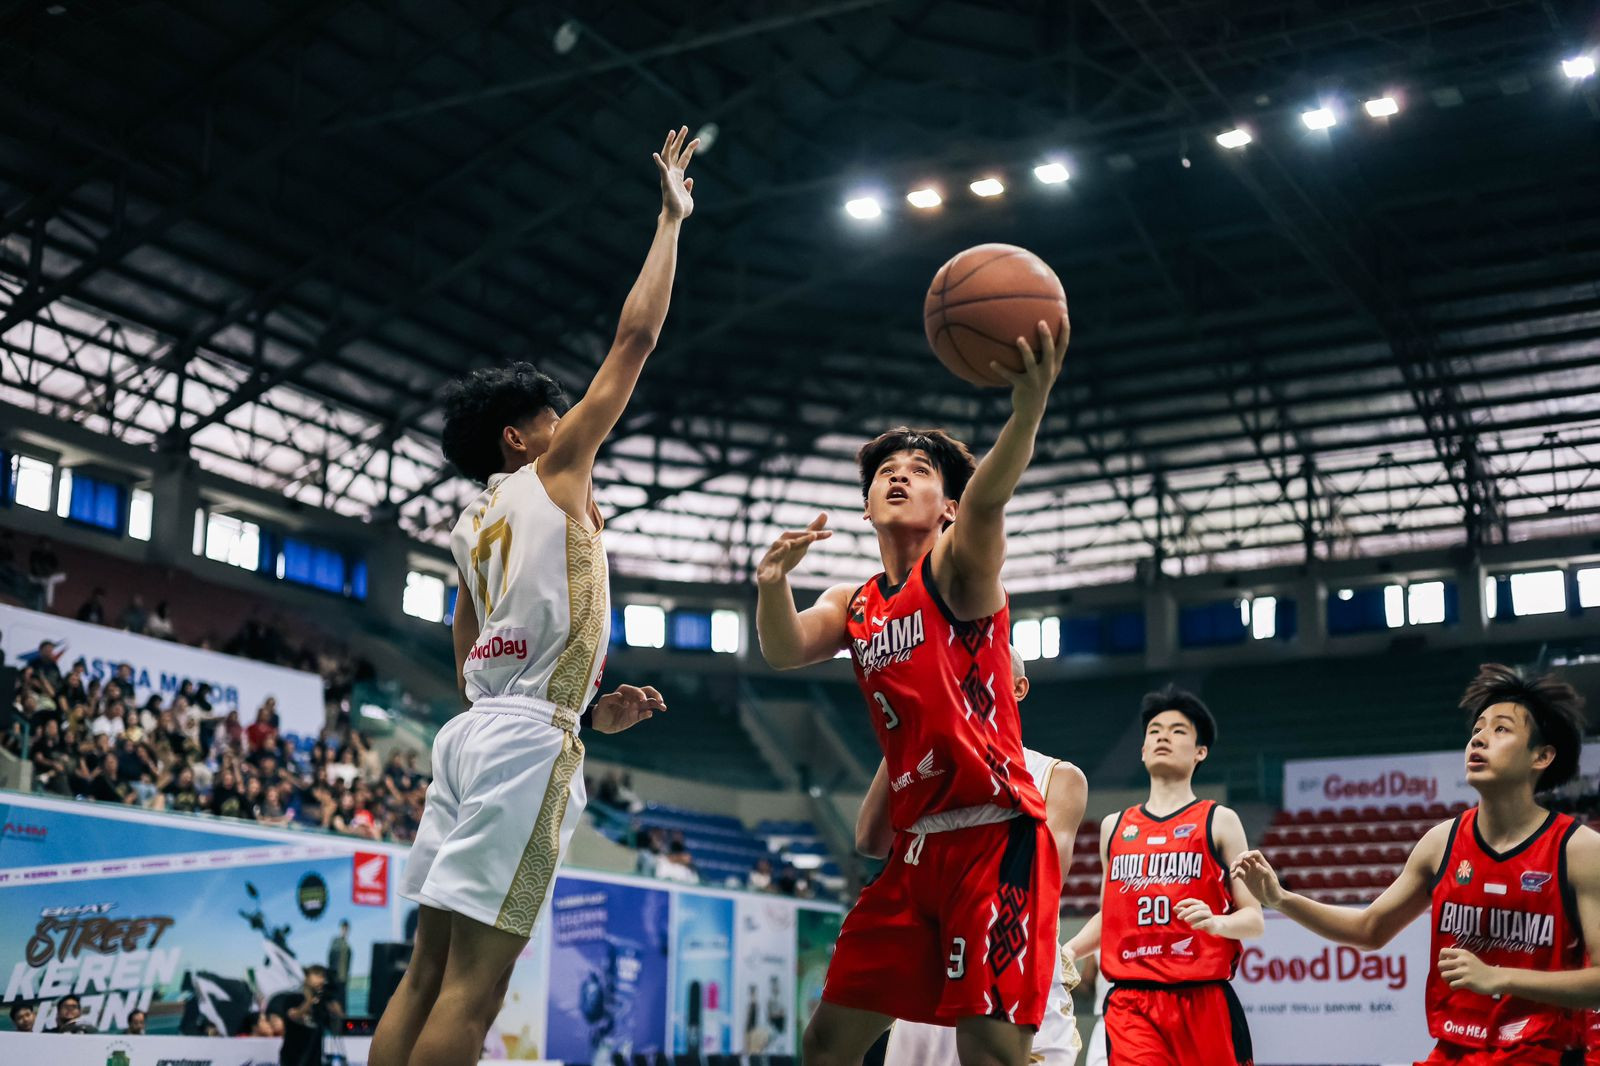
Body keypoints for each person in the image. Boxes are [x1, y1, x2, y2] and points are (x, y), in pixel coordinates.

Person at [372, 125, 697, 1066]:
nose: (572, 429)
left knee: (424, 975)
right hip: (523, 744)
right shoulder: (553, 474)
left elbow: (469, 648)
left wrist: (580, 702)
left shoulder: (470, 523)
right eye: (556, 419)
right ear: (520, 438)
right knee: (475, 989)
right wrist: (670, 222)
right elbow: (635, 339)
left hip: (469, 736)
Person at [754, 314, 1071, 1065]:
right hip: (916, 849)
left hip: (994, 835)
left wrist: (1027, 411)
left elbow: (989, 500)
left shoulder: (958, 570)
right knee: (826, 1044)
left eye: (921, 470)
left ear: (949, 507)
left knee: (989, 1053)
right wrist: (771, 584)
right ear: (866, 506)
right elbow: (783, 649)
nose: (899, 475)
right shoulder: (854, 601)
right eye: (886, 471)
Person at [1234, 664, 1600, 1065]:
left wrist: (1500, 978)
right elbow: (1369, 930)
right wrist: (1281, 899)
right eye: (1477, 729)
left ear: (1542, 756)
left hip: (1542, 1054)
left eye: (1501, 729)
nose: (1479, 739)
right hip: (1453, 1051)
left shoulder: (1578, 850)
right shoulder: (1441, 843)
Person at [855, 646, 1089, 1066]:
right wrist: (904, 740)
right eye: (959, 672)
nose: (969, 681)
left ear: (1018, 688)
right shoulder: (923, 765)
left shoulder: (1057, 776)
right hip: (931, 972)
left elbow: (1041, 877)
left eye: (987, 671)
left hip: (1010, 966)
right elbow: (870, 840)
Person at [1061, 686, 1263, 1066]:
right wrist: (1069, 950)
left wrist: (1217, 922)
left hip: (1204, 997)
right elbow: (1111, 917)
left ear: (1200, 751)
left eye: (1177, 730)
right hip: (1132, 1003)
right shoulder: (1113, 827)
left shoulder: (1219, 821)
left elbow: (1254, 918)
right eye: (1154, 731)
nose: (1163, 737)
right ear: (1142, 750)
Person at [267, 965, 340, 1066]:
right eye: (317, 975)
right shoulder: (293, 997)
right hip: (293, 1056)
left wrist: (331, 997)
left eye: (323, 977)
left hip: (314, 1057)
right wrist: (310, 1000)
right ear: (307, 976)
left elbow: (338, 1018)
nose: (321, 980)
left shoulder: (322, 1001)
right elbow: (294, 1015)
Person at [328, 920, 352, 1012]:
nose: (345, 930)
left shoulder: (347, 945)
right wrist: (332, 976)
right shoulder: (336, 941)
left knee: (342, 1004)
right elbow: (331, 958)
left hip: (343, 978)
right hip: (336, 978)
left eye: (346, 928)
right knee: (337, 1003)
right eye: (343, 928)